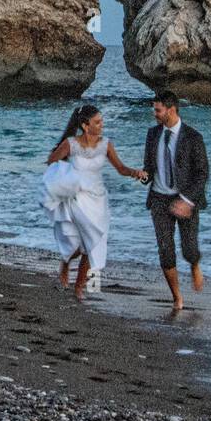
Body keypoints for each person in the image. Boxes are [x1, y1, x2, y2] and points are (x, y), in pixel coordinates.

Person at [43, 104, 145, 300]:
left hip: (98, 200)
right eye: (97, 122)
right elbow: (52, 163)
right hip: (76, 199)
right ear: (85, 125)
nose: (102, 125)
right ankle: (66, 263)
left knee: (92, 245)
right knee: (83, 244)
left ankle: (79, 288)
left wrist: (135, 173)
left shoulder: (105, 144)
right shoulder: (70, 144)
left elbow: (121, 168)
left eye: (102, 121)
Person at [142, 91, 209, 312]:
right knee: (165, 250)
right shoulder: (152, 135)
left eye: (158, 110)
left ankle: (195, 264)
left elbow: (202, 174)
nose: (155, 114)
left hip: (185, 199)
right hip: (159, 199)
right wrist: (144, 175)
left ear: (171, 110)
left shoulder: (193, 137)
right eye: (154, 109)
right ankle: (177, 297)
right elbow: (150, 168)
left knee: (189, 248)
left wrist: (187, 200)